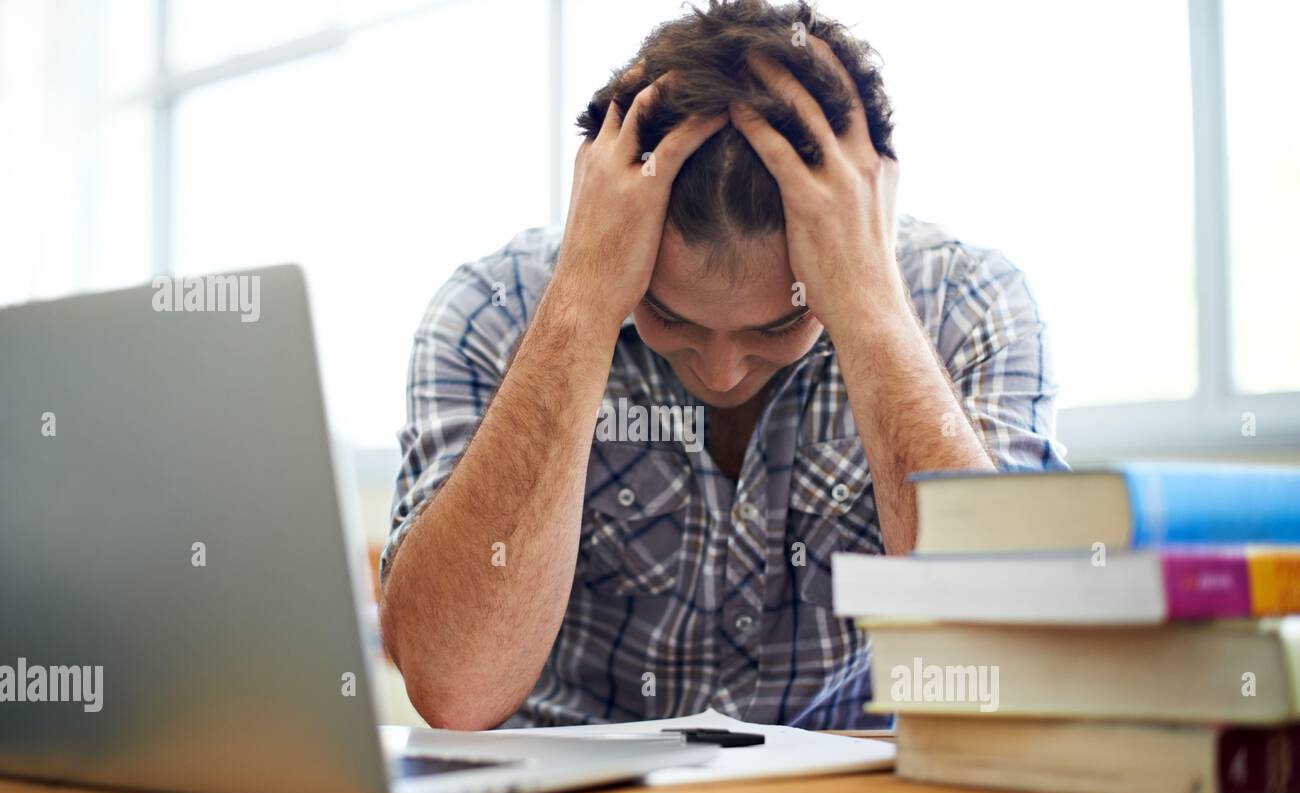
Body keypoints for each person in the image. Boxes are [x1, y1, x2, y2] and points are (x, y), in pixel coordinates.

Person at [379, 0, 1067, 731]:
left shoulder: (967, 303)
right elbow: (454, 689)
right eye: (669, 316)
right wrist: (582, 302)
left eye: (778, 323)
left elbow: (1003, 658)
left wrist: (871, 311)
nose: (721, 368)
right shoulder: (493, 308)